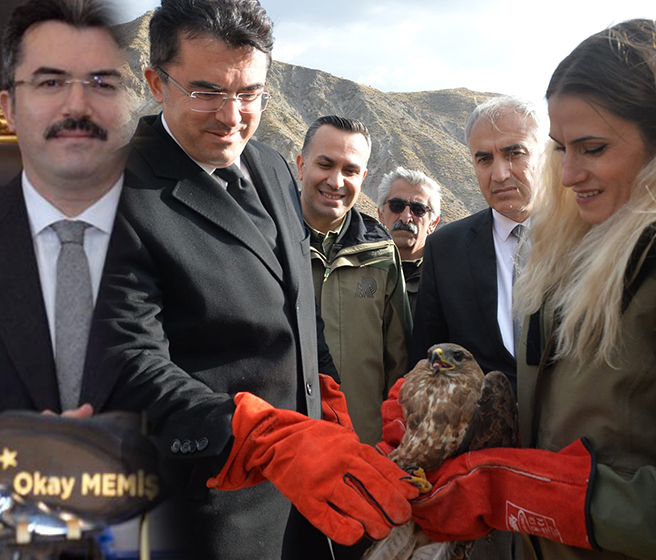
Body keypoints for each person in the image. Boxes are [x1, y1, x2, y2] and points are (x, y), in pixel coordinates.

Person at [383, 18, 656, 559]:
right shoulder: (561, 249)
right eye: (562, 148)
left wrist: (516, 491)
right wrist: (439, 425)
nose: (568, 174)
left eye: (593, 148)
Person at [98, 1, 416, 559]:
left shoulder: (269, 166)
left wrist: (329, 407)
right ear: (156, 82)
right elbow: (127, 366)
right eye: (207, 92)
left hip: (306, 509)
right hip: (206, 516)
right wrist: (262, 439)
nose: (232, 116)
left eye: (250, 94)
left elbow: (299, 309)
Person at [0, 0, 130, 415]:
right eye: (51, 82)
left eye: (102, 83)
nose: (76, 106)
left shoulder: (178, 235)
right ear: (9, 109)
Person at [411, 96, 540, 395]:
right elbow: (426, 364)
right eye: (484, 159)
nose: (500, 174)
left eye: (514, 153)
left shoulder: (590, 238)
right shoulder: (445, 250)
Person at [298, 115, 411, 446]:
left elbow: (399, 361)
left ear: (362, 178)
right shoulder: (266, 240)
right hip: (283, 446)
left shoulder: (381, 253)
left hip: (363, 446)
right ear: (301, 165)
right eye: (325, 165)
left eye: (350, 170)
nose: (336, 181)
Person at [376, 166, 441, 314]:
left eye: (418, 209)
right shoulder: (360, 271)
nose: (406, 218)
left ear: (433, 223)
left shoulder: (447, 280)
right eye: (396, 206)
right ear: (381, 215)